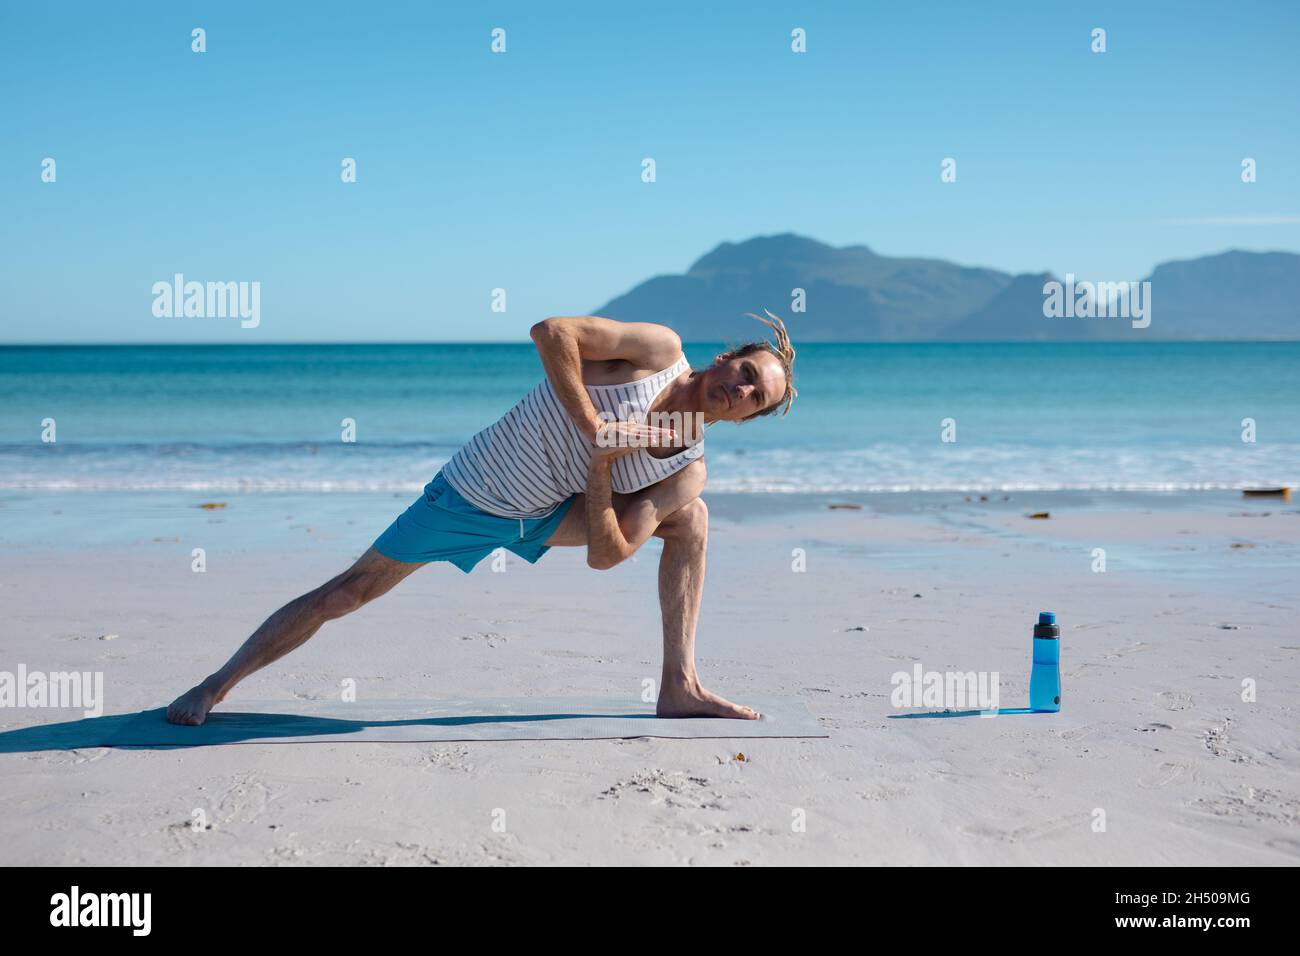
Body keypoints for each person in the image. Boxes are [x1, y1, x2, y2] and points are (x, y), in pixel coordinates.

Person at [166, 311, 797, 725]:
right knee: (348, 593)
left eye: (755, 395)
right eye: (744, 372)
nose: (741, 389)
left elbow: (607, 555)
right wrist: (596, 430)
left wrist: (603, 466)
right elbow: (551, 333)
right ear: (721, 359)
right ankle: (215, 687)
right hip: (477, 493)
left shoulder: (686, 466)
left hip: (552, 514)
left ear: (746, 419)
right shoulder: (657, 351)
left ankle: (678, 684)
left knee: (694, 517)